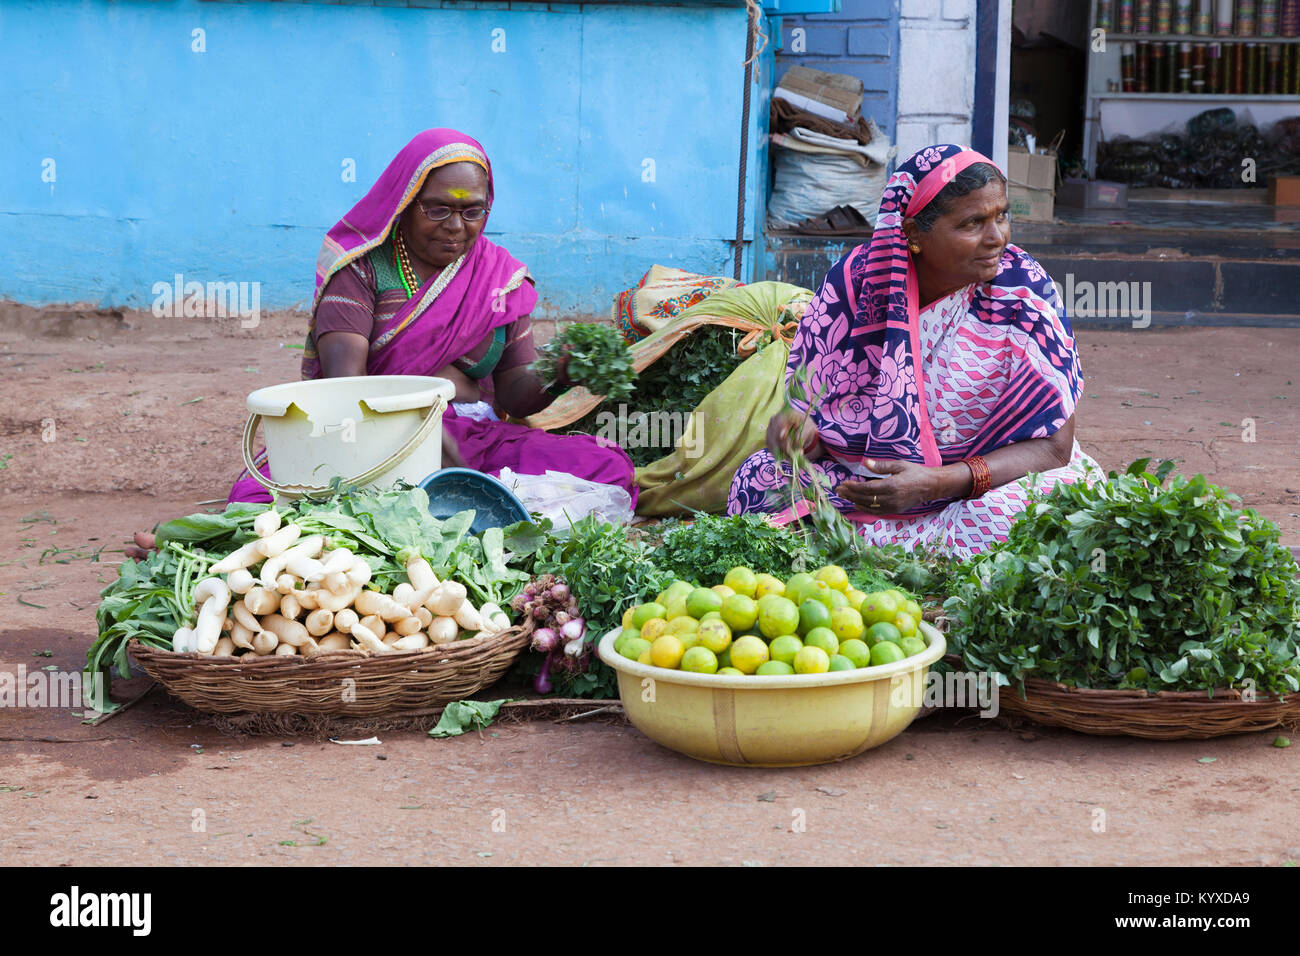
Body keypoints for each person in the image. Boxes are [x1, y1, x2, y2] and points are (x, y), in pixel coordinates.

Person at [728, 143, 1101, 559]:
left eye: (1003, 216)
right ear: (912, 234)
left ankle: (873, 544)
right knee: (758, 479)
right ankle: (892, 541)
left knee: (1049, 504)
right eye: (973, 222)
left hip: (981, 486)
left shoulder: (1024, 293)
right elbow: (822, 421)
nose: (997, 237)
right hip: (867, 485)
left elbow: (1054, 448)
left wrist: (937, 483)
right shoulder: (855, 284)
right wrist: (800, 434)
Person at [226, 127, 637, 505]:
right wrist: (420, 433)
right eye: (437, 210)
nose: (456, 226)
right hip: (372, 439)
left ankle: (470, 495)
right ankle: (478, 500)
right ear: (404, 202)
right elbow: (344, 387)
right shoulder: (361, 270)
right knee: (260, 500)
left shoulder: (499, 277)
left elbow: (513, 392)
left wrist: (558, 372)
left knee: (608, 465)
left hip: (473, 441)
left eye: (472, 211)